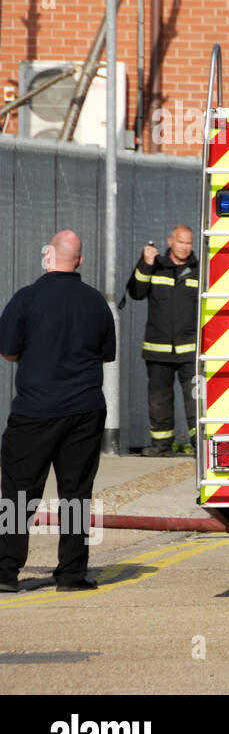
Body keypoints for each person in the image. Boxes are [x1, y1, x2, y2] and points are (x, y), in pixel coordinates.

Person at [0, 231, 115, 592]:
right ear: (78, 261)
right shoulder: (96, 302)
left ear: (48, 256)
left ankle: (5, 573)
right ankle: (71, 574)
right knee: (76, 492)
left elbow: (8, 351)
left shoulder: (26, 298)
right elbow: (106, 354)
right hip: (85, 410)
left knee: (18, 493)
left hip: (35, 411)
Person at [126, 224, 199, 456]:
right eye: (181, 242)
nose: (185, 247)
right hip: (158, 349)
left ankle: (199, 446)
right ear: (170, 241)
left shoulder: (200, 270)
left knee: (195, 400)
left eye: (189, 243)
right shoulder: (155, 267)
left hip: (190, 350)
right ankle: (161, 446)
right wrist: (145, 263)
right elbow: (136, 292)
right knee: (159, 399)